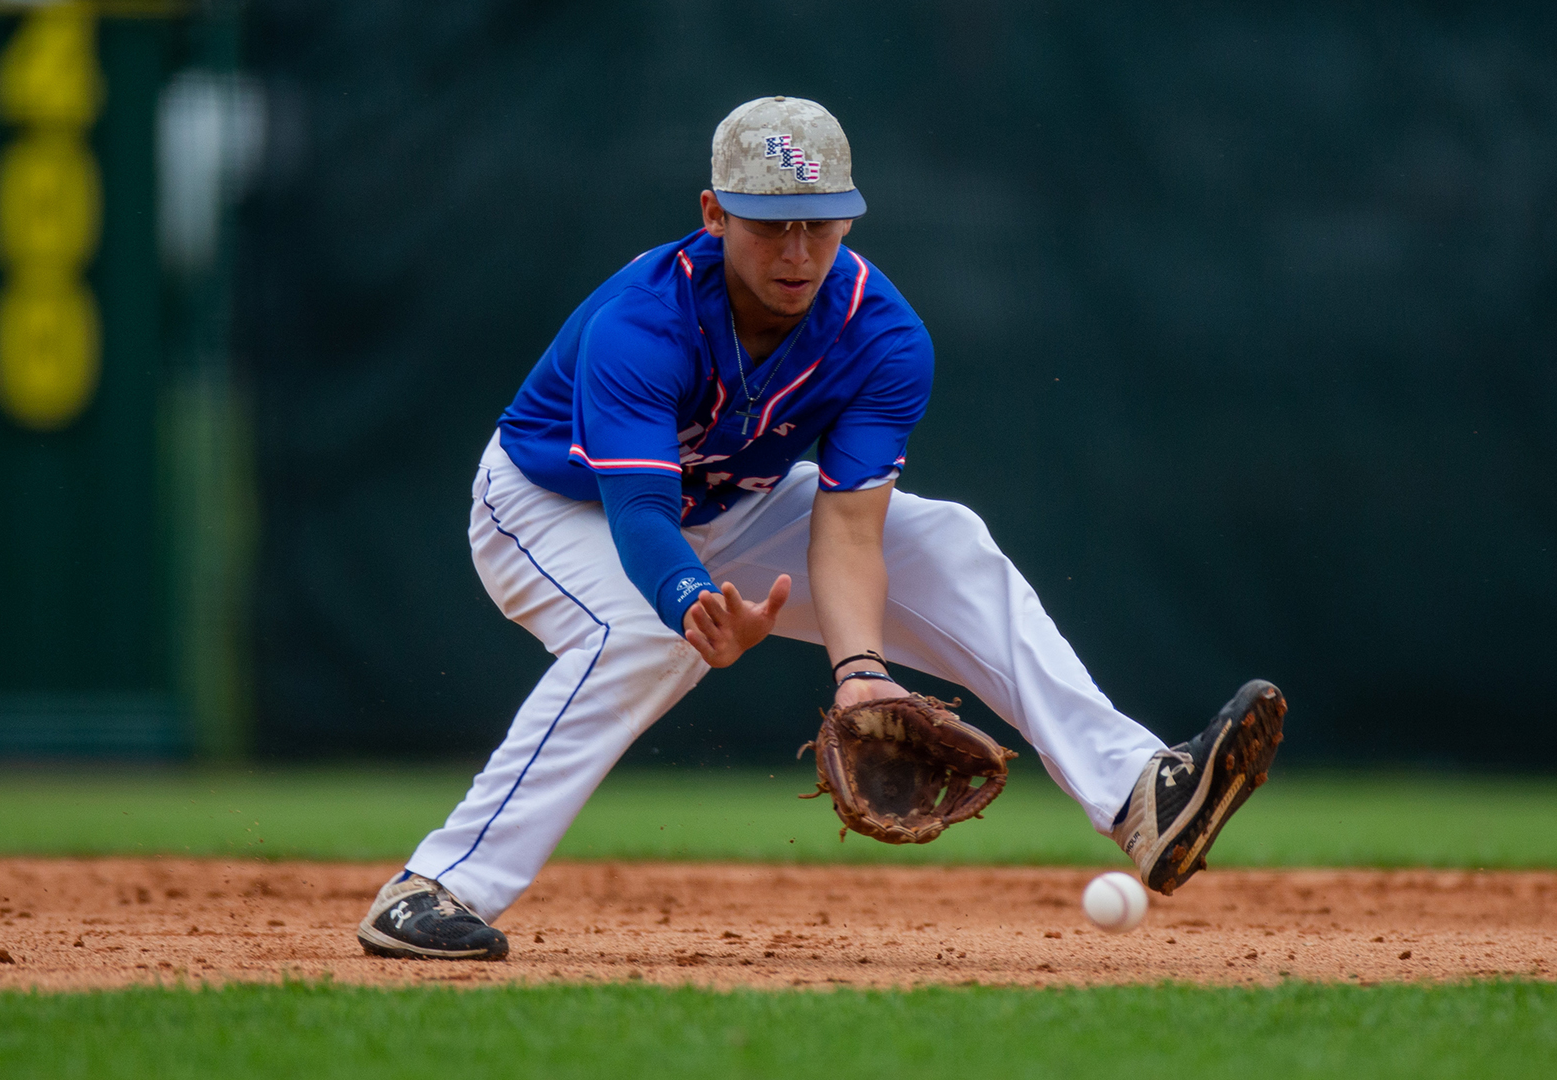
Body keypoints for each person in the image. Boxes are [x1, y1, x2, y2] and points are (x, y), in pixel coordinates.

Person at [356, 97, 1285, 960]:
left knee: (948, 539)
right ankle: (433, 886)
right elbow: (640, 511)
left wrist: (860, 674)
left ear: (850, 217)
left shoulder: (882, 335)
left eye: (821, 220)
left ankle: (1137, 796)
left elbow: (845, 530)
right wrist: (690, 601)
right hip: (551, 508)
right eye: (770, 222)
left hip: (731, 501)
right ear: (715, 214)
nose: (798, 249)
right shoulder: (641, 325)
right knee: (644, 631)